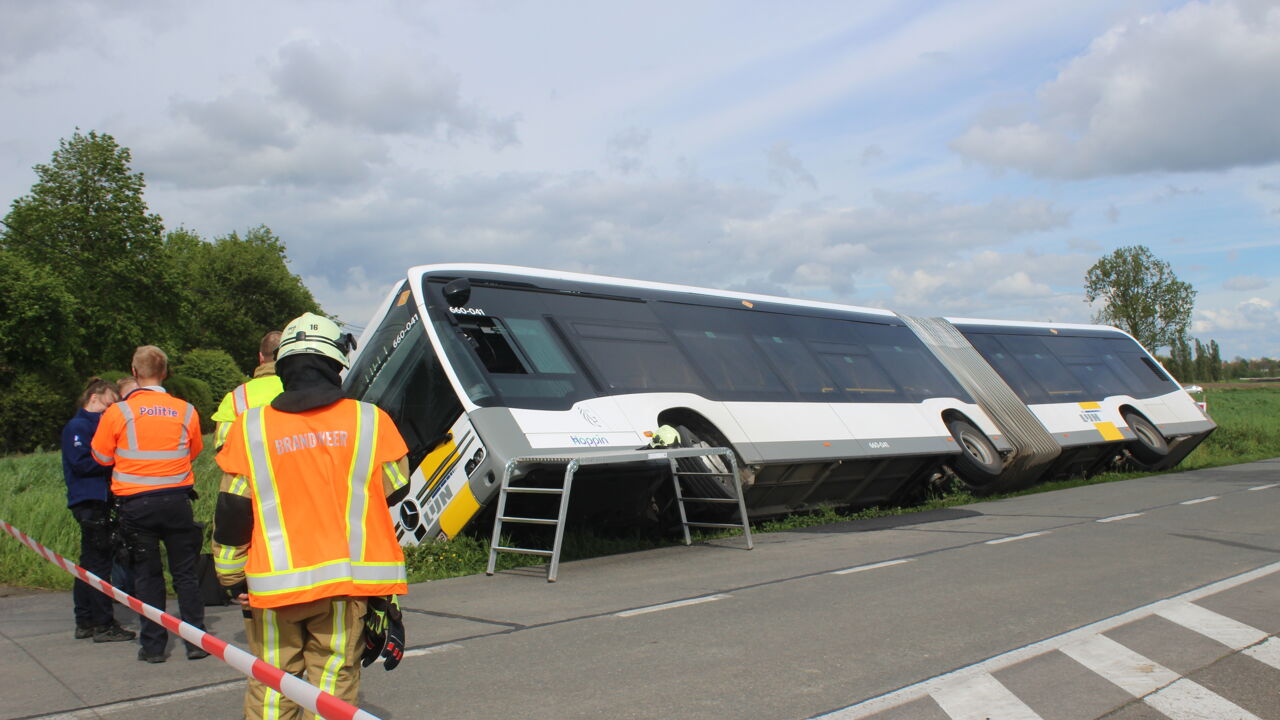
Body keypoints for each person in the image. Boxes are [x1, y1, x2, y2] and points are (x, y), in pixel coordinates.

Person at [213, 313, 411, 719]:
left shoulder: (250, 428)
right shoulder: (370, 421)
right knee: (332, 684)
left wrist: (232, 577)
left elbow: (233, 509)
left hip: (272, 587)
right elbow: (397, 486)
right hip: (345, 582)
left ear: (282, 366)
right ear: (336, 365)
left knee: (272, 683)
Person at [91, 345, 208, 663]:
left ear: (134, 373)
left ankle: (154, 646)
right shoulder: (185, 410)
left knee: (147, 574)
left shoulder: (119, 412)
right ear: (166, 372)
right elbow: (192, 450)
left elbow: (100, 456)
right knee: (184, 573)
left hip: (136, 504)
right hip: (176, 499)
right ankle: (196, 642)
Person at [61, 377, 136, 643]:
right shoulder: (78, 426)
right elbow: (82, 463)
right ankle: (103, 623)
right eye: (110, 400)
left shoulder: (99, 424)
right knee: (99, 562)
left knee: (90, 561)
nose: (112, 406)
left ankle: (85, 620)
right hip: (89, 499)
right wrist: (114, 460)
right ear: (95, 397)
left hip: (100, 498)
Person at [211, 331, 284, 451]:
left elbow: (223, 447)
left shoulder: (235, 397)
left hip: (249, 469)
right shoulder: (302, 390)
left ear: (260, 357)